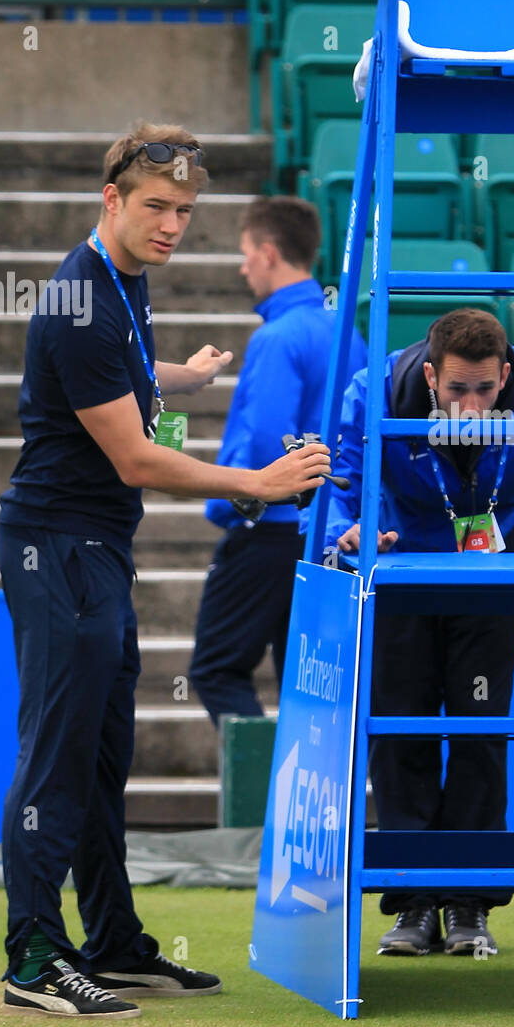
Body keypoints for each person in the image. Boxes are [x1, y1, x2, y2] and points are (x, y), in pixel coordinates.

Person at [0, 122, 331, 1018]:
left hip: (96, 551)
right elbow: (136, 458)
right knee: (57, 757)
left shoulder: (124, 281)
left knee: (104, 757)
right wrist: (253, 480)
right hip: (59, 549)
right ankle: (32, 954)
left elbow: (125, 379)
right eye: (156, 207)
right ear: (112, 200)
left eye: (185, 210)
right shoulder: (81, 298)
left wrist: (184, 375)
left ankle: (110, 941)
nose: (173, 224)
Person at [327, 307, 514, 958]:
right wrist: (346, 534)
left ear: (508, 373)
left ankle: (469, 903)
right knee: (399, 729)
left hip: (497, 575)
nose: (470, 405)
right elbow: (339, 485)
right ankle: (410, 902)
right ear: (430, 374)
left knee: (480, 729)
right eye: (456, 389)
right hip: (400, 572)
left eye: (485, 391)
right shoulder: (374, 388)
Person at [190, 197, 366, 725]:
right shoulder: (348, 333)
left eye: (246, 254)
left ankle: (258, 798)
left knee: (216, 669)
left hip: (267, 528)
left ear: (268, 253)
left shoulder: (275, 338)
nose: (243, 267)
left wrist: (232, 511)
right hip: (326, 534)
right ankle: (299, 799)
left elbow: (269, 440)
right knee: (308, 680)